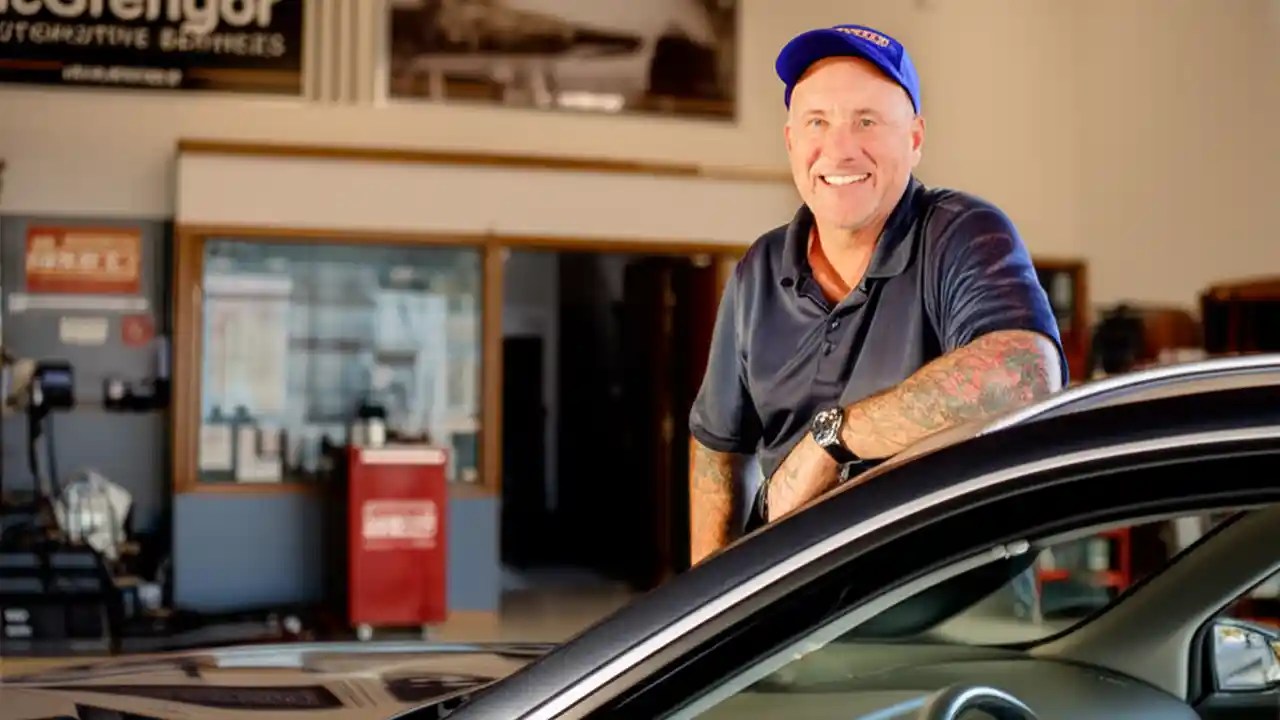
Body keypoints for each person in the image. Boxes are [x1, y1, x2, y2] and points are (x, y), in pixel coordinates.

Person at [687, 23, 1069, 566]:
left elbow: (1024, 375)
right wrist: (707, 601)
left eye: (866, 121)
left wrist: (831, 439)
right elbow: (716, 447)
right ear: (791, 140)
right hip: (793, 620)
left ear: (914, 139)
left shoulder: (960, 234)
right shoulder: (758, 271)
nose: (839, 150)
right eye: (817, 121)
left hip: (953, 612)